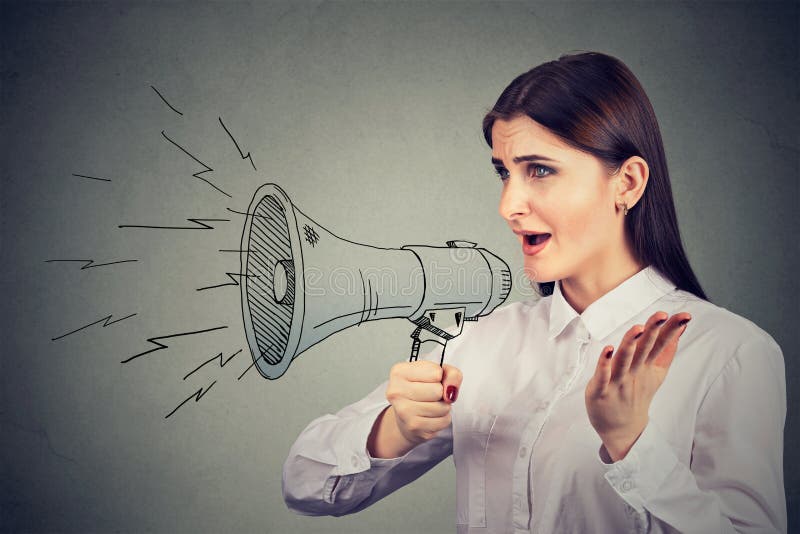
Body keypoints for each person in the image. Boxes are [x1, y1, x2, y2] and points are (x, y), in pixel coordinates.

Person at [281, 51, 787, 533]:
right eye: (504, 172)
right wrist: (396, 428)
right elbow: (303, 484)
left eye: (539, 170)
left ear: (627, 183)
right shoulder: (477, 347)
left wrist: (634, 445)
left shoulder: (731, 354)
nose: (508, 205)